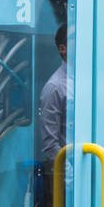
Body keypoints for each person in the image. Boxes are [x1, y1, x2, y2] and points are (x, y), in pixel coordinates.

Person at [38, 24, 68, 162]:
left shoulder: (90, 82)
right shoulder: (55, 87)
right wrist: (70, 174)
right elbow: (50, 146)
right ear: (63, 49)